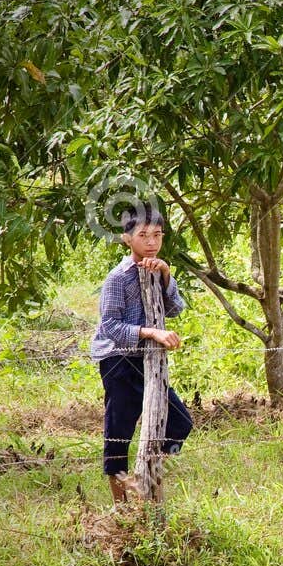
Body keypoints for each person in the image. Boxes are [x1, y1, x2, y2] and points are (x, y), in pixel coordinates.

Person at [89, 204, 194, 505]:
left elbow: (174, 309)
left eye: (157, 235)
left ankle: (144, 472)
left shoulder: (156, 269)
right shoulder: (118, 278)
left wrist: (165, 276)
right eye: (143, 235)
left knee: (180, 423)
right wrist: (151, 333)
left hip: (149, 360)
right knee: (119, 431)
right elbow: (109, 326)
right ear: (127, 239)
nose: (151, 242)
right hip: (118, 360)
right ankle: (121, 509)